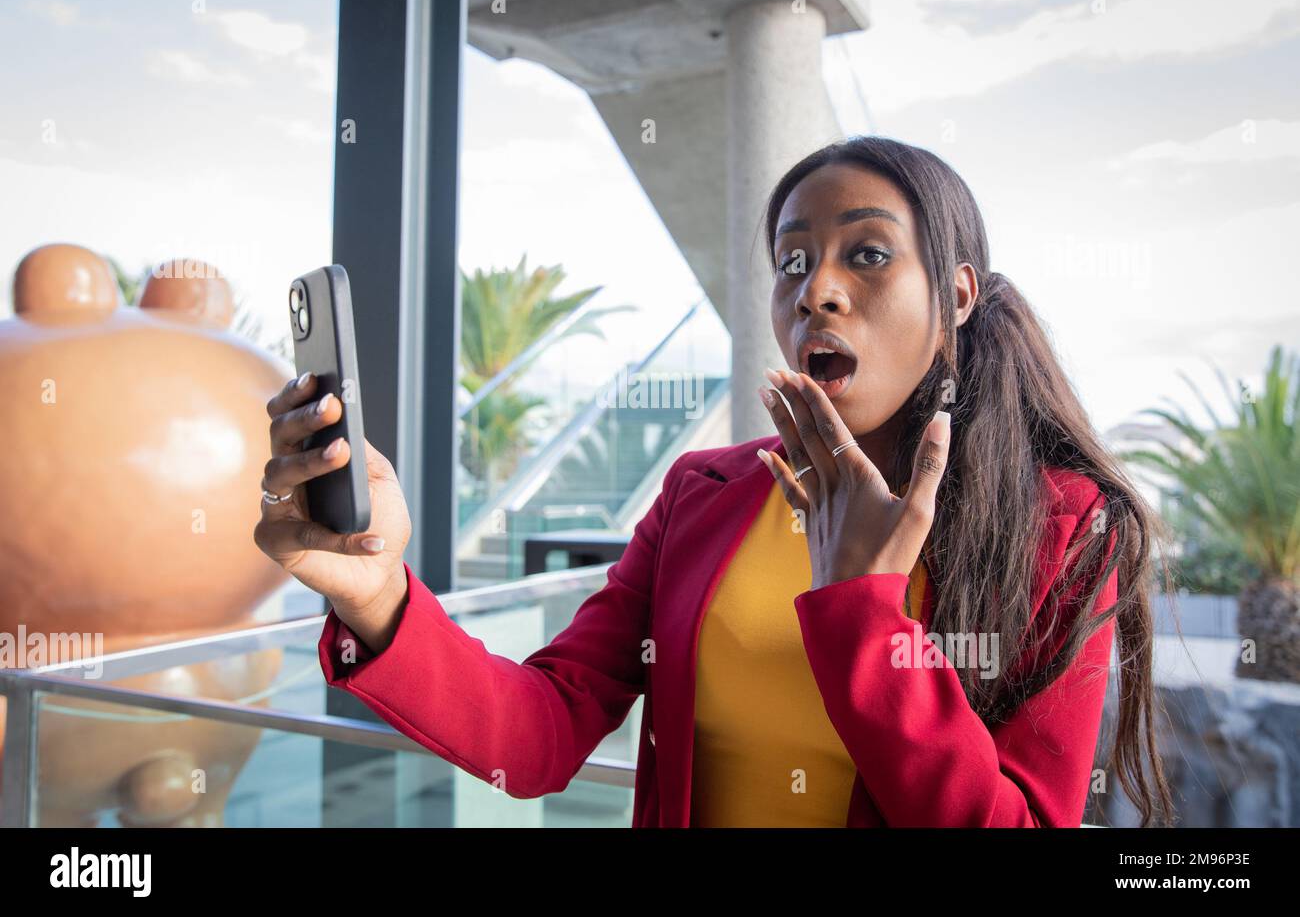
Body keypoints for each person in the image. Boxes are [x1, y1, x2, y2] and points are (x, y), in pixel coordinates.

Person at [255, 134, 1173, 827]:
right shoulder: (702, 493)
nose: (816, 288)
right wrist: (381, 601)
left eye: (867, 253)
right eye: (791, 261)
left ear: (959, 296)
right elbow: (536, 736)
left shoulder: (1064, 526)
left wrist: (863, 606)